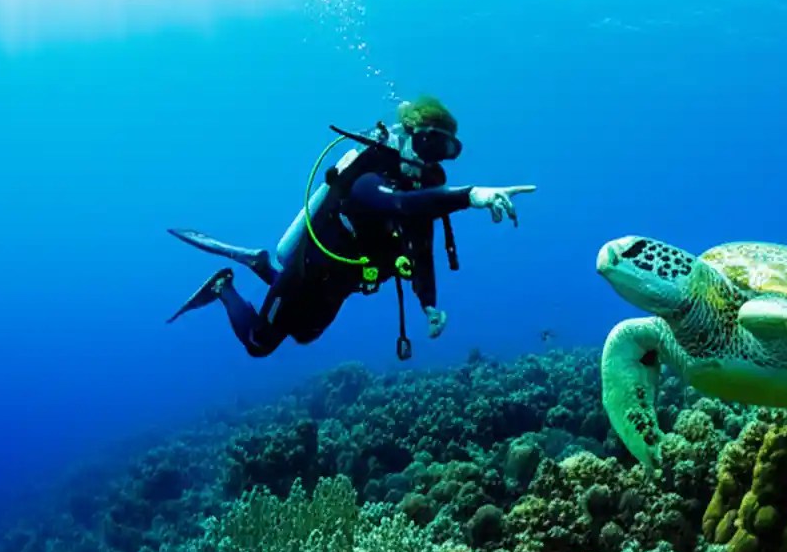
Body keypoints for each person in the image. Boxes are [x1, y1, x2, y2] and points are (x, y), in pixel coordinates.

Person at [165, 96, 536, 359]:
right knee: (259, 344)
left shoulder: (423, 190)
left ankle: (261, 264)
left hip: (343, 286)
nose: (430, 160)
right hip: (307, 272)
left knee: (304, 334)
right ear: (410, 135)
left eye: (444, 151)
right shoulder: (370, 175)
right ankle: (224, 287)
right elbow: (397, 204)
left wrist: (428, 305)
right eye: (429, 144)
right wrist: (472, 195)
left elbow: (422, 250)